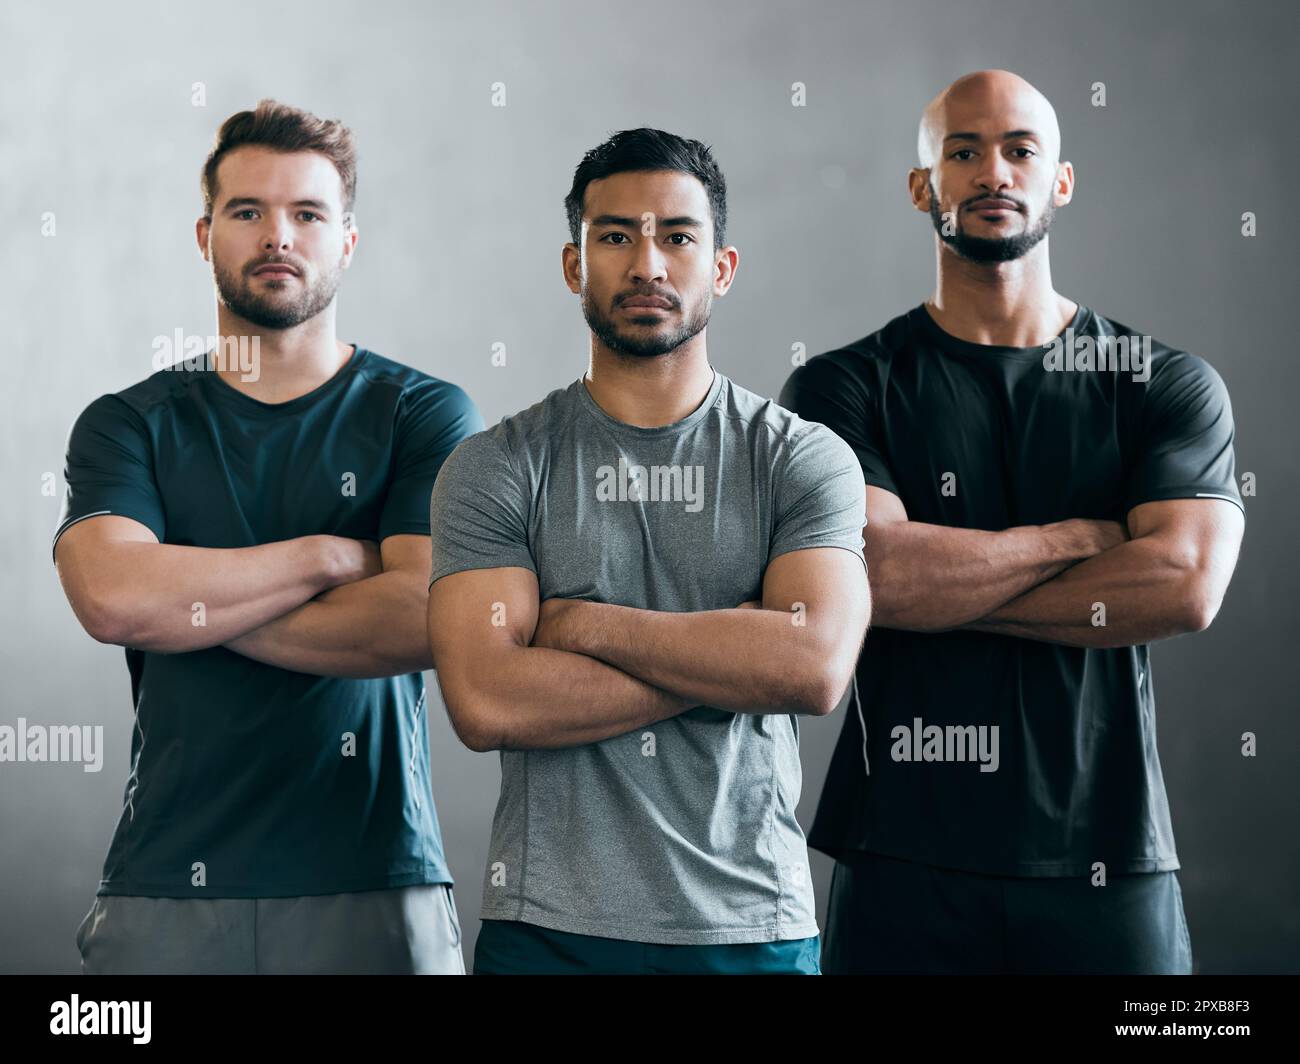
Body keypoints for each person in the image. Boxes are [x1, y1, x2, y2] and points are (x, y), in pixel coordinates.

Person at [781, 70, 1245, 975]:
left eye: (1020, 150)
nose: (994, 171)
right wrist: (1075, 541)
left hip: (1109, 857)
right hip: (902, 857)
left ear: (1060, 180)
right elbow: (878, 574)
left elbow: (1185, 586)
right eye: (963, 151)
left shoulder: (1164, 383)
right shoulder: (844, 387)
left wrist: (941, 590)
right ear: (923, 186)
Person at [426, 128, 871, 975]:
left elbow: (811, 669)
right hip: (547, 931)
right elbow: (486, 701)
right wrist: (734, 654)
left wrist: (583, 626)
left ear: (722, 268)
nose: (648, 265)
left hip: (752, 929)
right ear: (574, 265)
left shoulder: (801, 459)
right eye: (615, 237)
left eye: (678, 236)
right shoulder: (497, 465)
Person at [54, 99, 482, 974]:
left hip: (376, 876)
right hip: (166, 883)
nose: (278, 236)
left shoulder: (423, 414)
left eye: (308, 214)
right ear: (205, 235)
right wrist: (331, 557)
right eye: (248, 211)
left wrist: (188, 606)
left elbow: (423, 617)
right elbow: (113, 599)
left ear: (347, 242)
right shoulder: (129, 424)